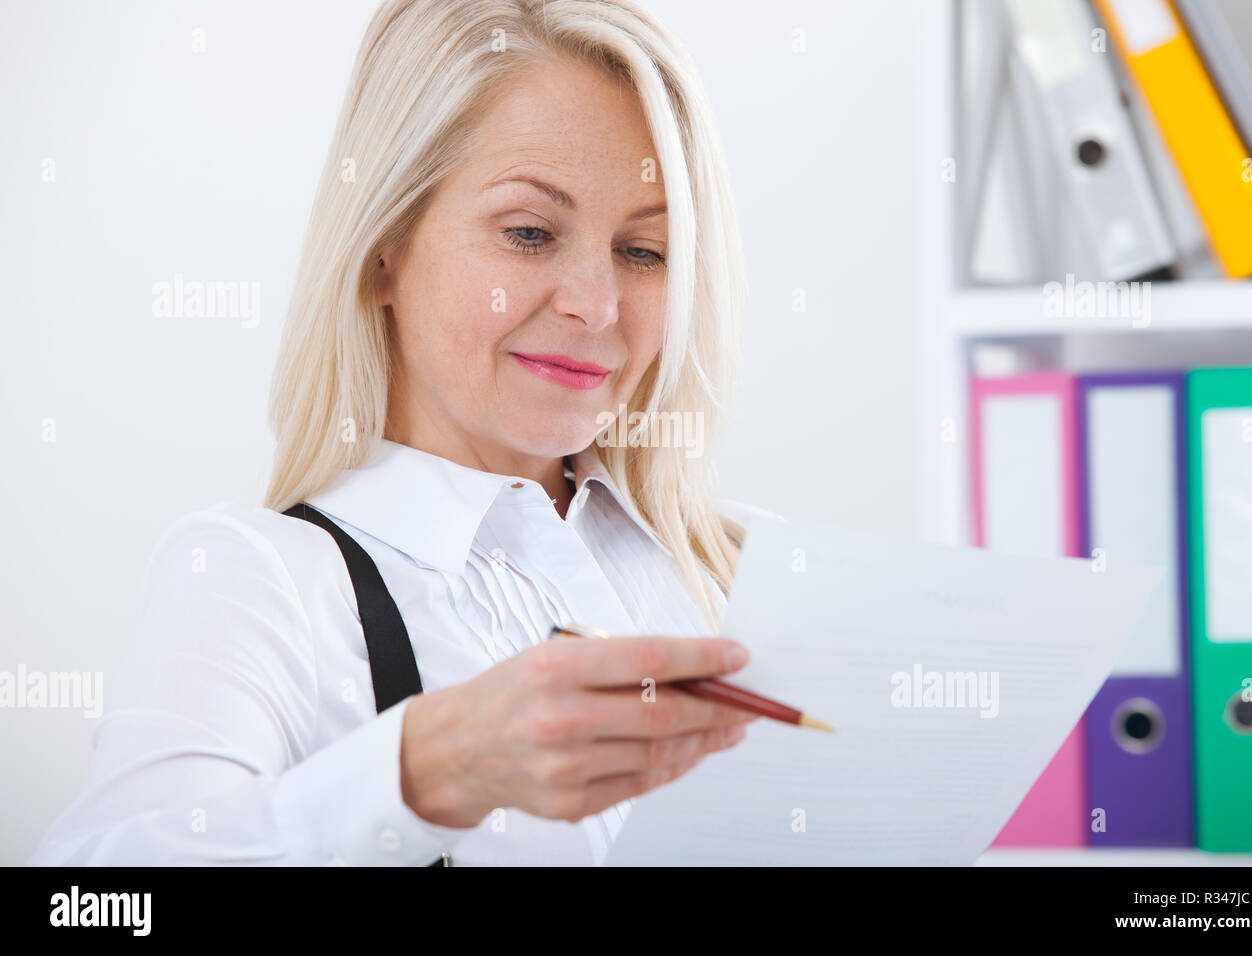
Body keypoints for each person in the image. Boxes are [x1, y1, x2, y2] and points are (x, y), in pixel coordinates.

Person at [30, 0, 769, 866]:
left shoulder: (738, 573)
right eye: (530, 233)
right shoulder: (266, 583)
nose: (595, 304)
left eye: (644, 253)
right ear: (385, 244)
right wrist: (425, 771)